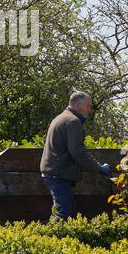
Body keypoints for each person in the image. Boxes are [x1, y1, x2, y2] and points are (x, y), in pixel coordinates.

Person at [40, 90, 111, 220]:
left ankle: (58, 237)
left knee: (69, 210)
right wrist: (99, 168)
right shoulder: (73, 121)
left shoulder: (61, 117)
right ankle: (54, 239)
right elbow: (78, 151)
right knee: (64, 214)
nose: (90, 109)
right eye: (88, 106)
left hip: (54, 173)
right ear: (78, 105)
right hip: (58, 174)